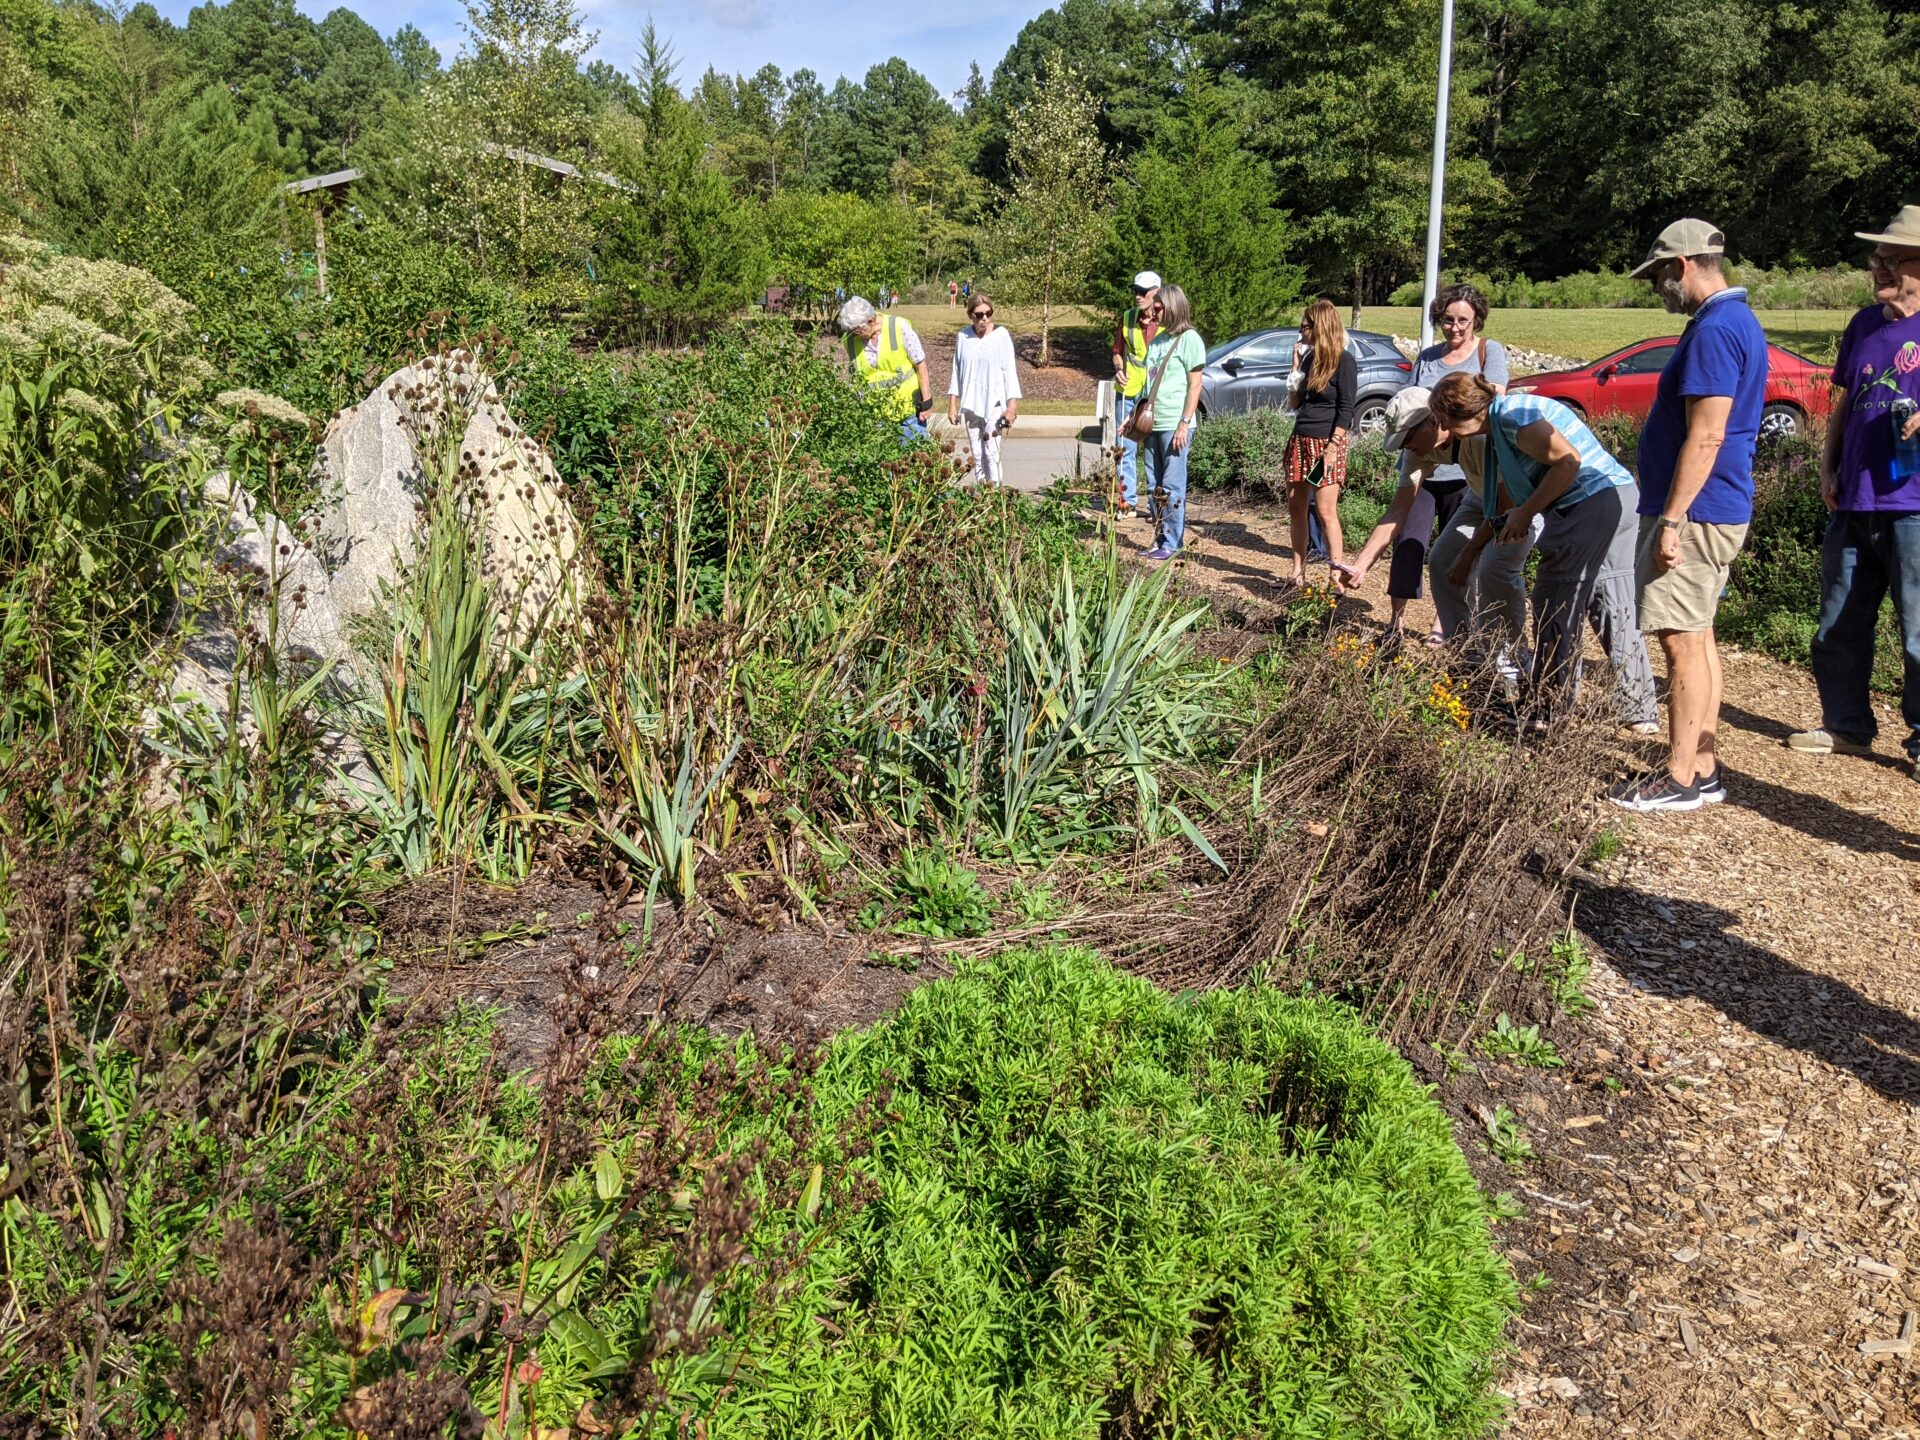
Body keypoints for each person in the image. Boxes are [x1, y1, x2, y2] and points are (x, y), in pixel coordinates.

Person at [1602, 219, 1768, 812]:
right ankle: (1702, 764)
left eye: (1657, 277)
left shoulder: (1716, 330)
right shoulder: (1734, 322)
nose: (1656, 290)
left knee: (1679, 642)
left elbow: (1707, 435)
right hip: (1712, 507)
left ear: (1683, 265)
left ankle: (1678, 778)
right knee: (1698, 636)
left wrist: (1671, 520)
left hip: (1696, 512)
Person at [1370, 387, 1655, 728]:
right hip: (1608, 493)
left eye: (1441, 420)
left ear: (1441, 420)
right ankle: (1635, 708)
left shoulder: (1508, 420)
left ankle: (1549, 708)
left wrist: (1523, 514)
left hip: (1591, 499)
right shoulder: (1494, 429)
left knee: (1560, 603)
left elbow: (1567, 462)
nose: (1406, 448)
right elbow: (1501, 504)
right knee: (1603, 599)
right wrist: (1470, 551)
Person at [1789, 204, 1920, 780]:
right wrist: (1827, 465)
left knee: (1919, 629)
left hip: (1914, 504)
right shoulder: (1865, 324)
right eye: (1877, 258)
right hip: (1855, 497)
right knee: (1838, 619)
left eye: (1894, 260)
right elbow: (1844, 400)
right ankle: (1847, 726)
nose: (1880, 268)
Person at [1337, 284, 1510, 643]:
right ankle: (1396, 620)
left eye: (1463, 319)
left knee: (1462, 553)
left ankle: (1447, 623)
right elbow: (1406, 404)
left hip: (1468, 472)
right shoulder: (1428, 359)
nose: (1455, 327)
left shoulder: (1487, 352)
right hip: (1430, 463)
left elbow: (1493, 397)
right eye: (1448, 320)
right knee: (1409, 543)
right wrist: (1362, 563)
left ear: (1477, 319)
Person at [1281, 298, 1357, 584]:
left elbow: (1346, 409)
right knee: (1296, 507)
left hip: (1326, 443)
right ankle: (1297, 572)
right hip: (1301, 439)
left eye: (1305, 327)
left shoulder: (1344, 361)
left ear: (1319, 327)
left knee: (1325, 511)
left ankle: (1335, 575)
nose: (1301, 332)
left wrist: (1333, 448)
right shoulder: (1311, 359)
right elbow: (1297, 402)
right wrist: (1296, 367)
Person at [1136, 283, 1206, 560]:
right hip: (1151, 423)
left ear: (1172, 306)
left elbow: (1195, 385)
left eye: (1158, 307)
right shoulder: (1158, 340)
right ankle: (1159, 538)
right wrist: (1133, 418)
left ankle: (1173, 542)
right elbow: (1148, 385)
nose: (1153, 312)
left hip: (1174, 424)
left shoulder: (1190, 339)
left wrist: (1184, 423)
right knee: (1153, 484)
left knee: (1172, 485)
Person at [838, 295, 933, 443]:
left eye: (857, 330)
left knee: (913, 461)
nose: (853, 334)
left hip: (909, 414)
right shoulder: (850, 339)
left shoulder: (898, 327)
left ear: (870, 321)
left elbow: (921, 365)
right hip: (875, 419)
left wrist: (926, 403)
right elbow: (855, 376)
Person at [947, 292, 1021, 484]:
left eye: (988, 313)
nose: (984, 318)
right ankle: (981, 494)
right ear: (970, 314)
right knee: (977, 454)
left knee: (991, 452)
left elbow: (1010, 373)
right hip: (971, 403)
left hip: (994, 403)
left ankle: (995, 495)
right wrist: (952, 404)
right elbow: (957, 370)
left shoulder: (1001, 336)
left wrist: (1011, 406)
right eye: (979, 315)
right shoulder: (963, 336)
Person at [1110, 270, 1161, 518]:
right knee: (1125, 448)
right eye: (1135, 291)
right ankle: (1127, 501)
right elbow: (1117, 351)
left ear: (1156, 292)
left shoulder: (1167, 322)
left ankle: (1155, 505)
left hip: (1154, 395)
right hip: (1128, 391)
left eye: (1144, 291)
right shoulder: (1127, 318)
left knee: (1152, 450)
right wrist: (1118, 369)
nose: (1138, 296)